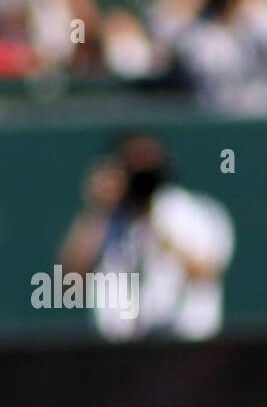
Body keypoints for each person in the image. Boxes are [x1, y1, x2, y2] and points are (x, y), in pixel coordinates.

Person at [59, 133, 235, 341]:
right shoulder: (104, 220)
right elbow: (69, 282)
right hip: (118, 352)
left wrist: (152, 221)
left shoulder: (193, 212)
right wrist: (96, 209)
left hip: (185, 347)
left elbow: (204, 275)